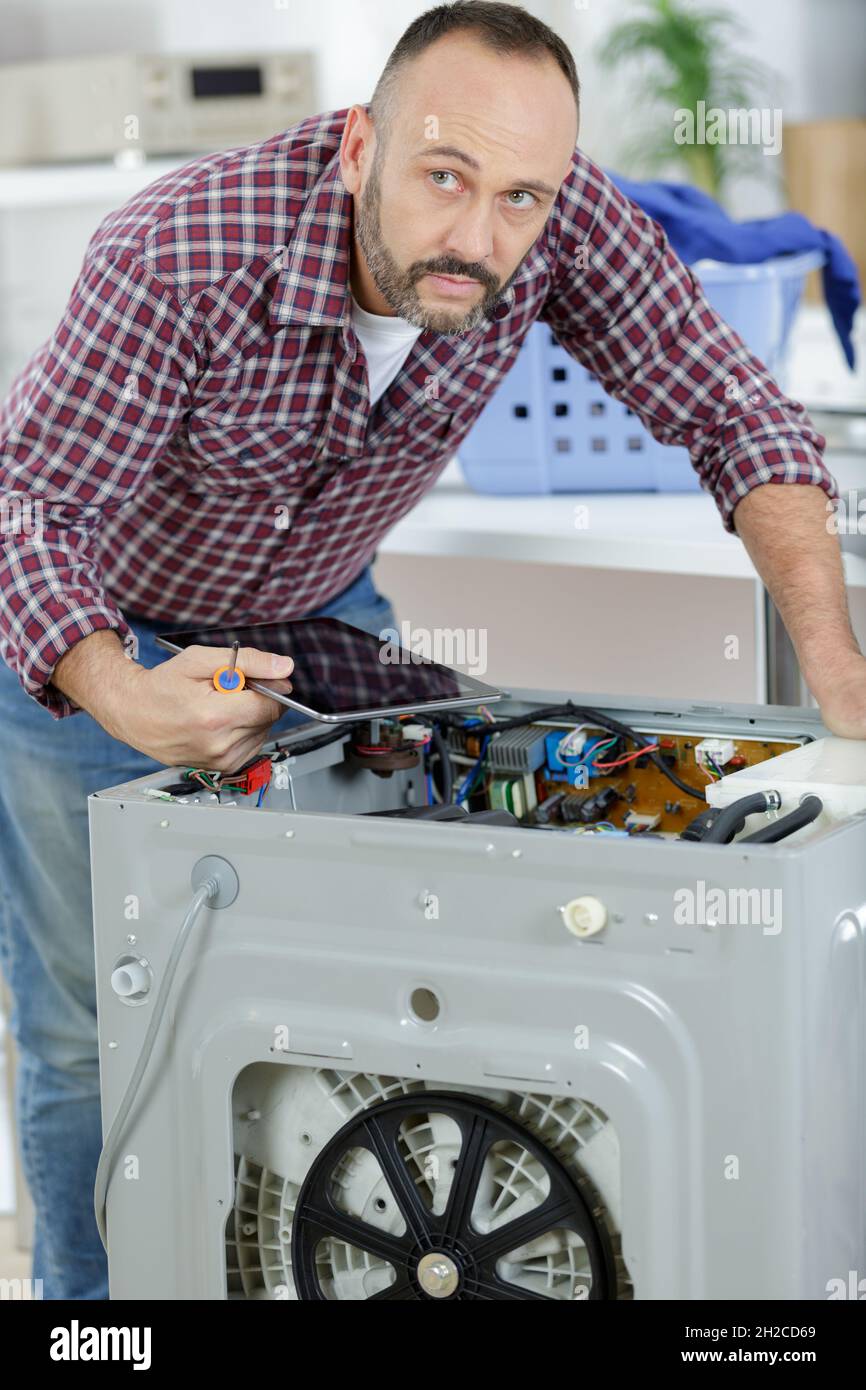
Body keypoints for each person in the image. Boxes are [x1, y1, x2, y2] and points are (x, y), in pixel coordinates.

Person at [0, 0, 861, 1299]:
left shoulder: (558, 222)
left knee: (363, 960)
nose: (478, 237)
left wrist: (836, 667)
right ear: (360, 146)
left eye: (519, 197)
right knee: (91, 1026)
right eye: (442, 177)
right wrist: (119, 688)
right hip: (92, 633)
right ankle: (91, 1323)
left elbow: (727, 403)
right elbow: (28, 509)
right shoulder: (181, 250)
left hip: (319, 618)